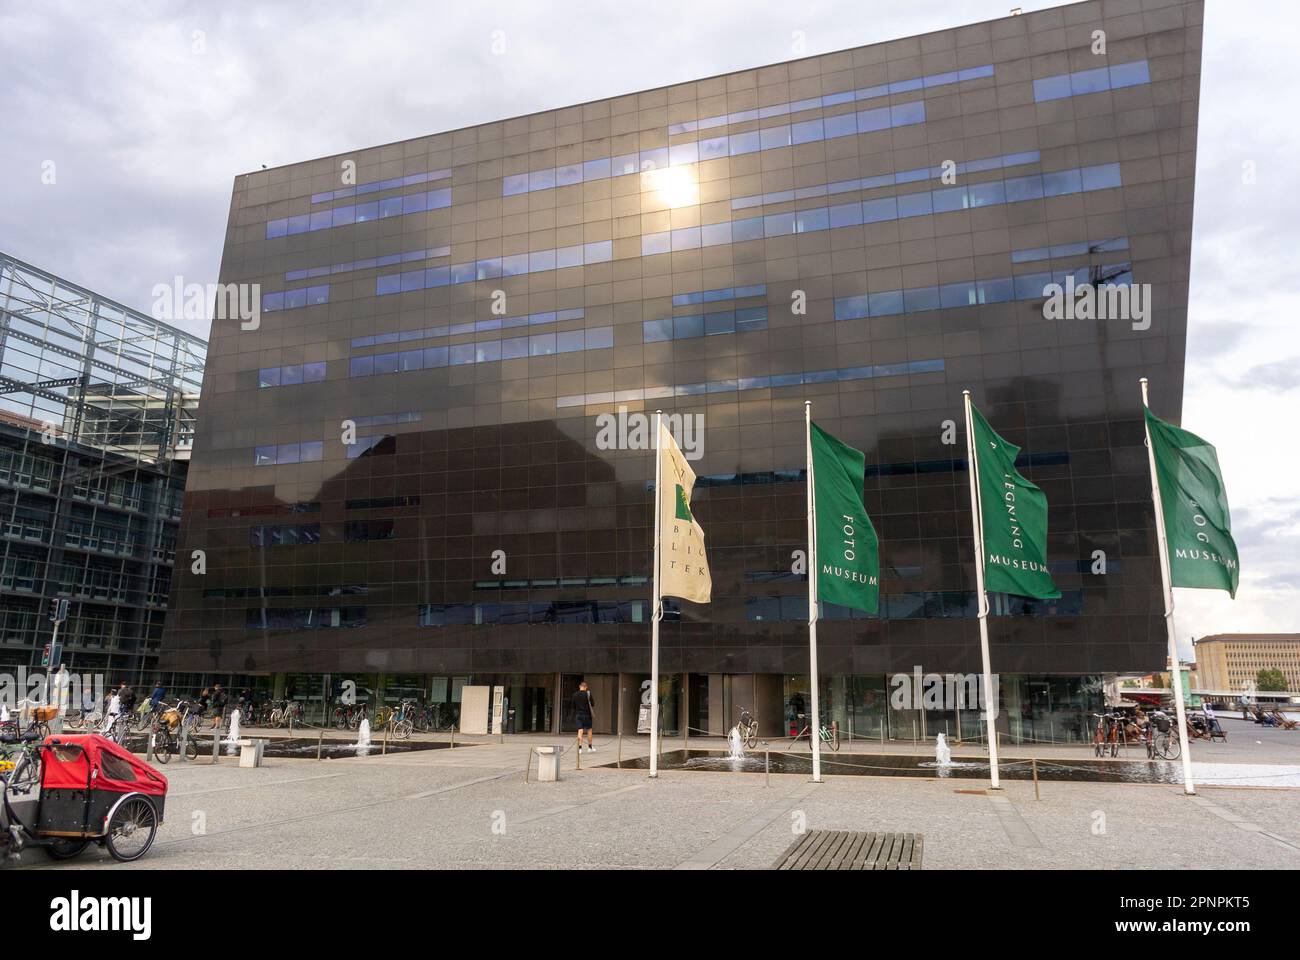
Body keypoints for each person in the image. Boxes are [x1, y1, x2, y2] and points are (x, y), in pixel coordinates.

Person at [572, 680, 595, 753]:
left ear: (580, 687)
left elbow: (573, 706)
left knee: (580, 730)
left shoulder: (575, 694)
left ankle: (580, 748)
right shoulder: (588, 694)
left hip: (579, 714)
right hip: (587, 715)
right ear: (586, 687)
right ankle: (590, 747)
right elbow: (593, 704)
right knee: (589, 730)